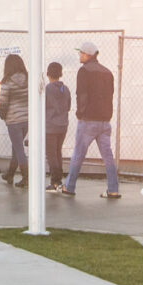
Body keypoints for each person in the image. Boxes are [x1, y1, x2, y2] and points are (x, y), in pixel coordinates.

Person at [68, 41, 119, 198]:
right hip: (105, 121)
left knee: (78, 153)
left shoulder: (84, 71)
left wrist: (80, 113)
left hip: (88, 119)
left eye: (81, 53)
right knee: (107, 156)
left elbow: (81, 95)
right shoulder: (108, 72)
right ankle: (113, 189)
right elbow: (110, 95)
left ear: (87, 54)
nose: (79, 55)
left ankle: (69, 186)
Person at [0, 55, 32, 188]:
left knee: (18, 148)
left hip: (14, 120)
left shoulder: (7, 81)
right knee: (16, 147)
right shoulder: (29, 78)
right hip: (27, 119)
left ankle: (26, 178)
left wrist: (3, 115)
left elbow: (3, 101)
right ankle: (10, 174)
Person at [42, 61, 72, 190]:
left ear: (48, 74)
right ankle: (58, 180)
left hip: (50, 126)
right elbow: (69, 106)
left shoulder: (47, 89)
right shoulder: (65, 89)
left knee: (51, 154)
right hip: (63, 125)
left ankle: (55, 181)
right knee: (57, 152)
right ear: (60, 73)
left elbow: (42, 107)